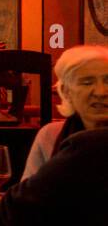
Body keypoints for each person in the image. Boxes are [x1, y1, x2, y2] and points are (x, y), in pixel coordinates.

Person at [22, 45, 108, 178]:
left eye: (107, 82)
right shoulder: (50, 136)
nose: (101, 92)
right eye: (87, 83)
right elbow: (26, 196)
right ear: (66, 91)